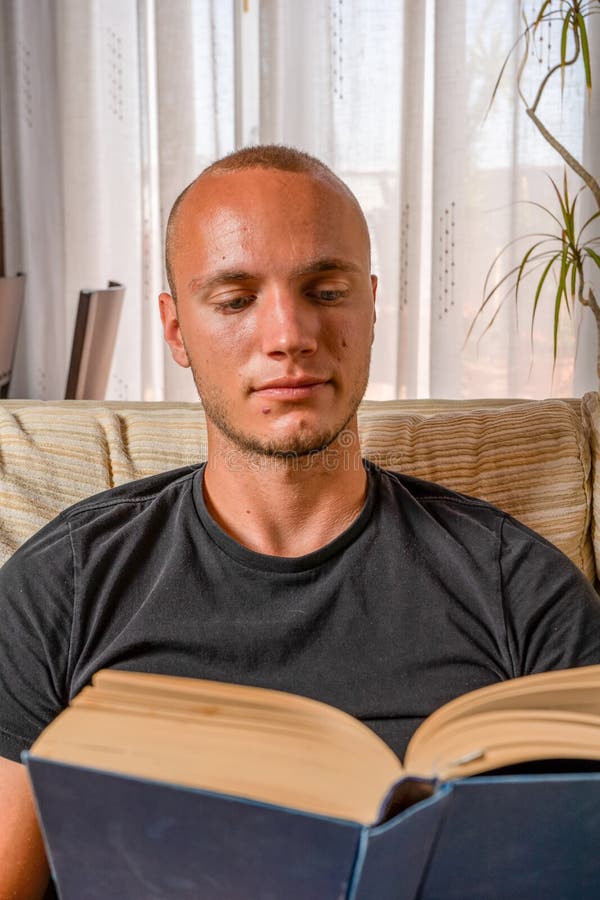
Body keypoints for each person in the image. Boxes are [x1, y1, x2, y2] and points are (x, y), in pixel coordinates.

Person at [1, 145, 600, 898]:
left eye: (324, 289)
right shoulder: (63, 585)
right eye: (235, 299)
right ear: (178, 330)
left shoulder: (522, 590)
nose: (289, 335)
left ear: (370, 305)